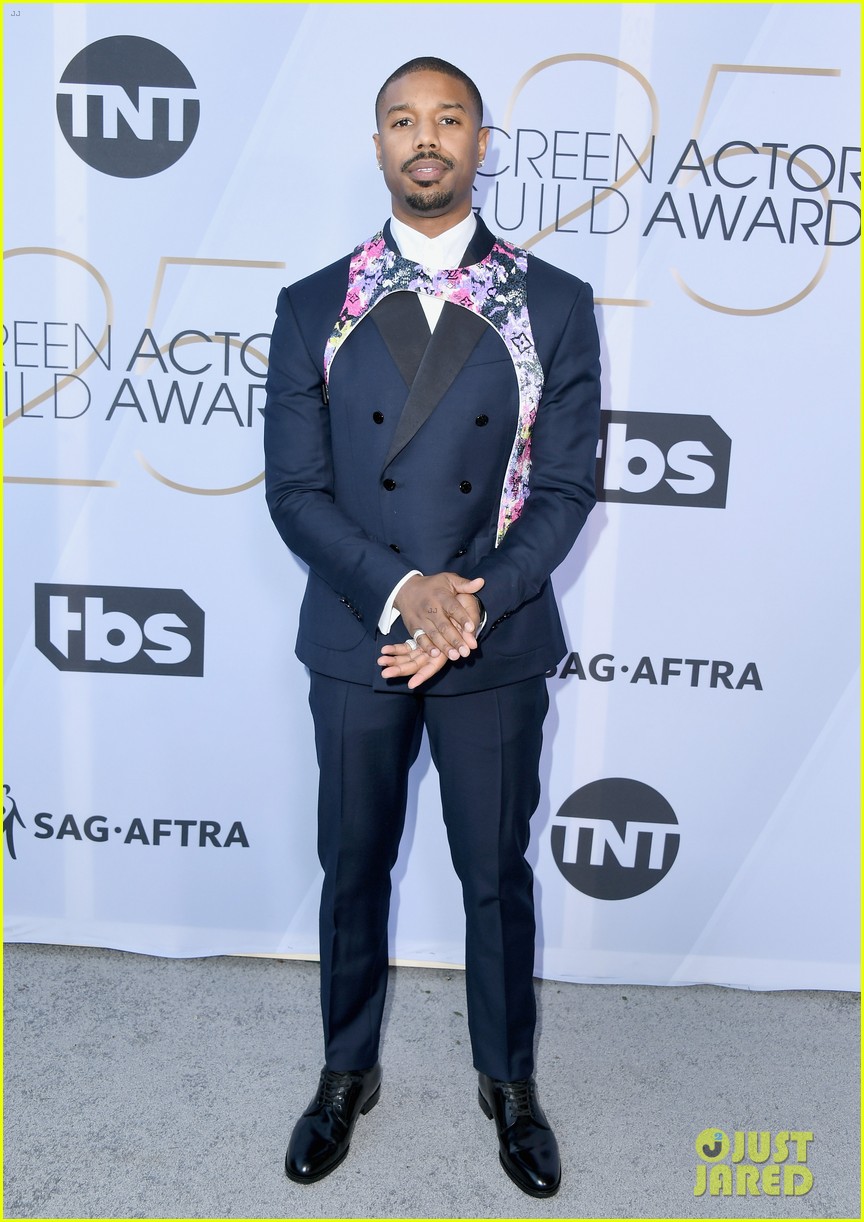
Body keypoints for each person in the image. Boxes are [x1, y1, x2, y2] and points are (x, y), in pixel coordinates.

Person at [264, 55, 601, 1198]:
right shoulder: (315, 304)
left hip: (494, 641)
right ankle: (345, 1069)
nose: (426, 138)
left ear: (479, 143)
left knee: (494, 872)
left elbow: (564, 490)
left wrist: (471, 602)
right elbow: (295, 493)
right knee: (352, 864)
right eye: (403, 120)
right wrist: (407, 589)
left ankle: (509, 1081)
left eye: (448, 119)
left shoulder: (552, 303)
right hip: (359, 629)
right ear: (377, 146)